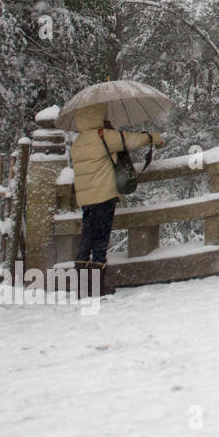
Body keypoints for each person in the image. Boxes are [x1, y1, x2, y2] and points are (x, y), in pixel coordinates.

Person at [69, 103, 165, 296]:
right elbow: (130, 140)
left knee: (87, 237)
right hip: (104, 196)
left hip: (86, 198)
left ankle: (81, 284)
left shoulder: (78, 141)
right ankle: (97, 286)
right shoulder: (102, 135)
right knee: (101, 239)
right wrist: (152, 138)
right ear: (96, 117)